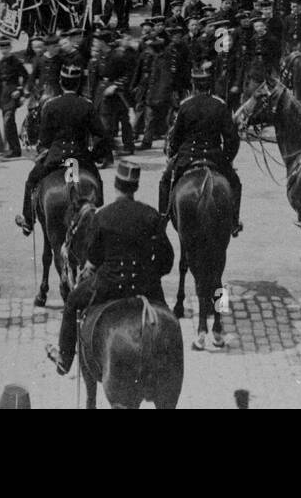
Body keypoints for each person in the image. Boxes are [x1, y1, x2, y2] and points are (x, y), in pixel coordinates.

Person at [48, 161, 173, 376]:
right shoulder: (151, 215)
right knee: (168, 320)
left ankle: (64, 360)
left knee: (71, 303)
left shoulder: (102, 217)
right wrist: (151, 274)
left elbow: (93, 258)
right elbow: (167, 260)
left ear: (117, 186)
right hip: (145, 285)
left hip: (108, 285)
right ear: (135, 187)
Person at [16, 61, 109, 235]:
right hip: (81, 157)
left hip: (56, 157)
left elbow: (44, 140)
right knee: (97, 181)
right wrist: (93, 155)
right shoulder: (87, 105)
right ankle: (98, 210)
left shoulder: (51, 105)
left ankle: (28, 221)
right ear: (79, 83)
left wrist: (45, 151)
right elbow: (101, 136)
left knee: (31, 181)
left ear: (61, 82)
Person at [158, 59, 243, 236]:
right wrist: (225, 158)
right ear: (209, 85)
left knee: (165, 181)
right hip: (214, 157)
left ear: (194, 85)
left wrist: (172, 154)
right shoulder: (220, 104)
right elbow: (232, 139)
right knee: (235, 183)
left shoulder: (185, 105)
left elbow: (175, 138)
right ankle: (234, 220)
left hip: (187, 156)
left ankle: (163, 219)